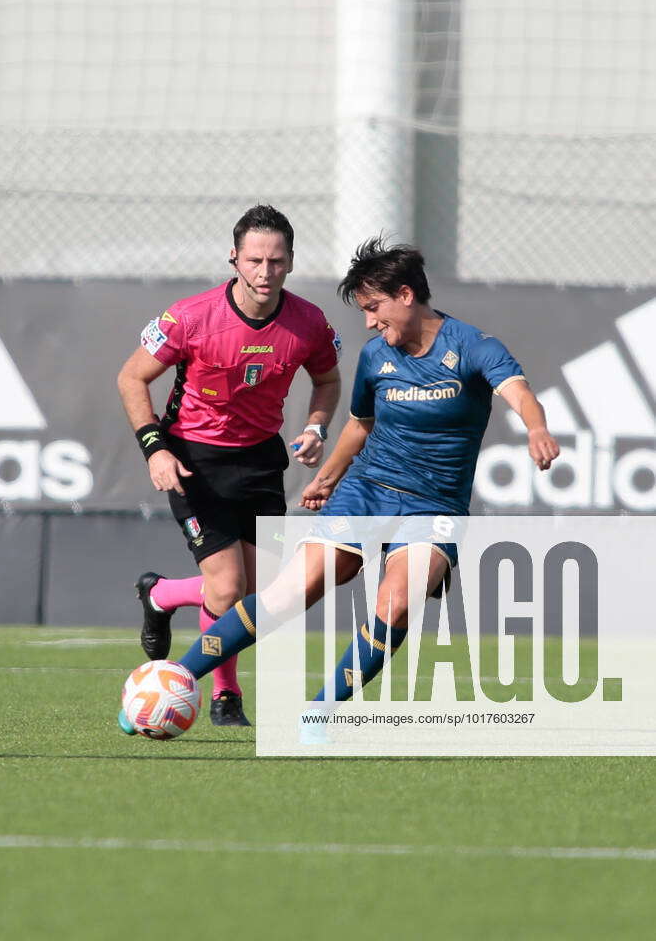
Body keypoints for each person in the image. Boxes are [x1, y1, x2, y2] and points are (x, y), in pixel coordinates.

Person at [118, 236, 560, 735]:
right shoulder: (376, 356)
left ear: (406, 296)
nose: (370, 321)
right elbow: (360, 424)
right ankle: (172, 679)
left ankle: (319, 712)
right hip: (367, 490)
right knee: (289, 592)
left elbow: (518, 392)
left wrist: (537, 428)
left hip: (435, 505)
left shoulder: (475, 347)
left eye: (375, 308)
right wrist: (327, 478)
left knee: (395, 606)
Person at [116, 204, 341, 726]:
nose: (265, 272)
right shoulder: (190, 317)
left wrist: (316, 427)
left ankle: (162, 593)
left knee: (262, 596)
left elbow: (327, 381)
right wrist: (157, 449)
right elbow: (131, 378)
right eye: (255, 260)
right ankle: (225, 694)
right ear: (234, 259)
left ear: (290, 263)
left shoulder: (308, 322)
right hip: (194, 459)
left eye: (277, 261)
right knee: (225, 587)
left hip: (261, 461)